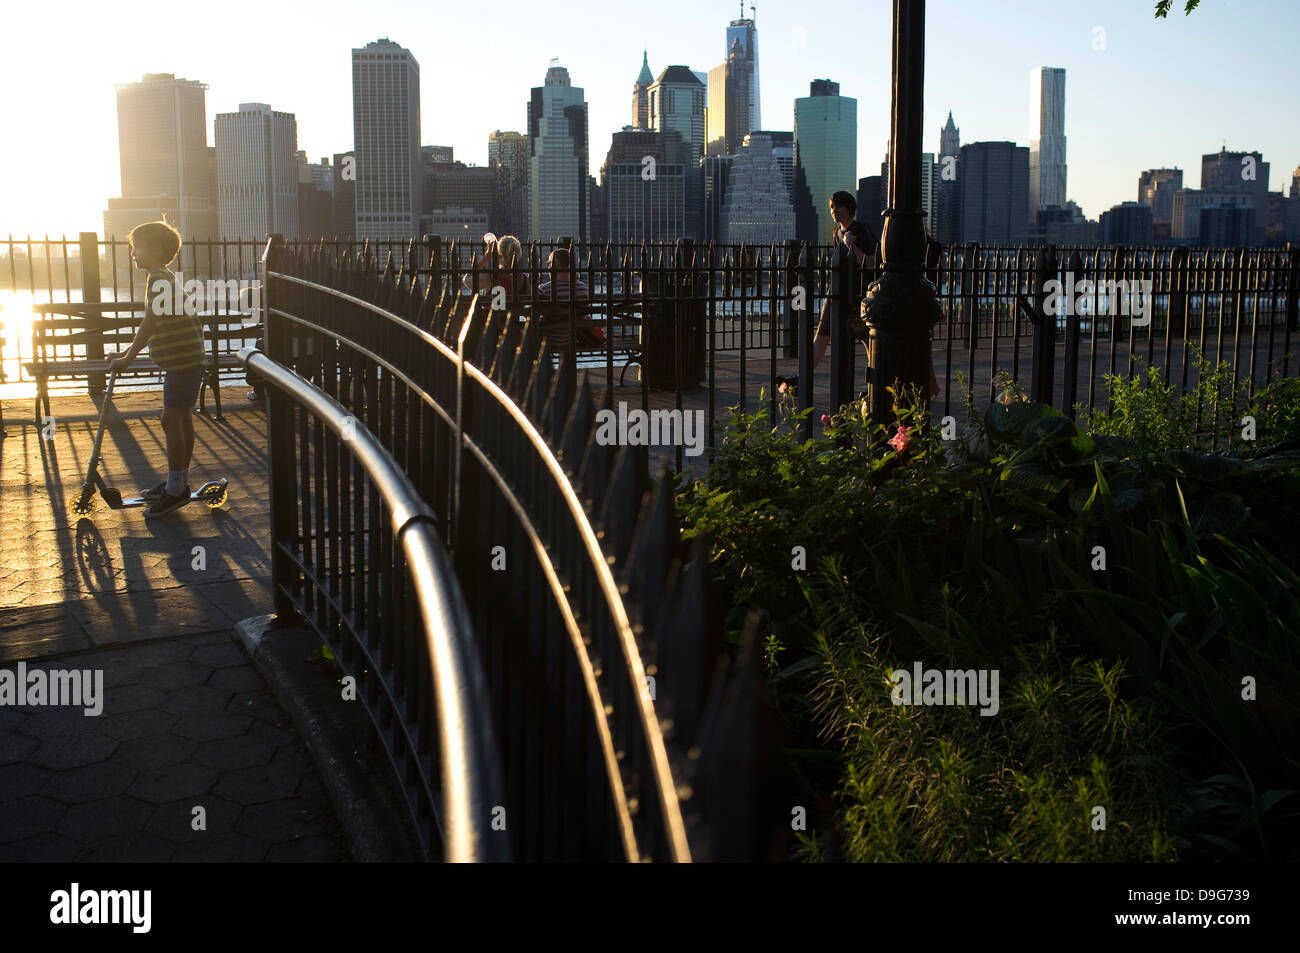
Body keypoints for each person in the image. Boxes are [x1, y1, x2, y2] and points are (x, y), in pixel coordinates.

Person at [107, 219, 205, 517]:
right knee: (180, 419)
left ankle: (176, 489)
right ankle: (178, 482)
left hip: (182, 362)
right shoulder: (164, 277)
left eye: (137, 247)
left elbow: (150, 321)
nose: (133, 253)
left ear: (155, 249)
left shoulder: (158, 279)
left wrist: (128, 356)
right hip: (187, 360)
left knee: (170, 420)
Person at [532, 247, 593, 352]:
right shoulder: (584, 288)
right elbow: (585, 314)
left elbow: (534, 316)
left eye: (549, 263)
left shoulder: (543, 290)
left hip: (548, 341)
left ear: (557, 265)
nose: (547, 267)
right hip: (572, 340)